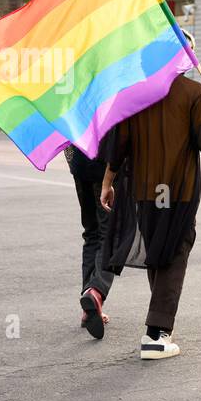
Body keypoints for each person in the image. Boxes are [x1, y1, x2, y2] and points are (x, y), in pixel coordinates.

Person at [100, 58, 201, 361]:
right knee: (175, 249)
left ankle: (158, 324)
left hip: (146, 190)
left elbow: (119, 147)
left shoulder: (134, 95)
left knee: (158, 249)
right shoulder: (194, 93)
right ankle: (157, 333)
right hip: (178, 190)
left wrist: (107, 181)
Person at [66, 141, 114, 339]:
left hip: (78, 163)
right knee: (109, 235)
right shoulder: (102, 107)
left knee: (91, 233)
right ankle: (96, 292)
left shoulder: (72, 108)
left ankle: (89, 304)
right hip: (103, 167)